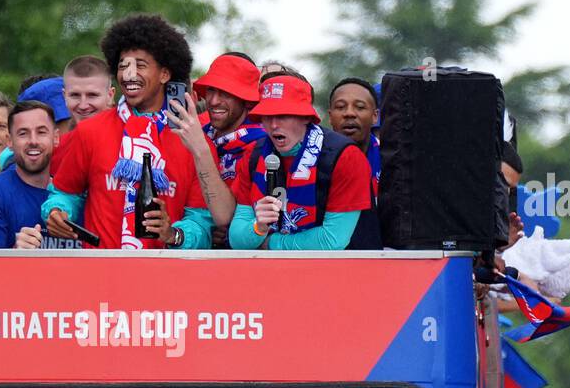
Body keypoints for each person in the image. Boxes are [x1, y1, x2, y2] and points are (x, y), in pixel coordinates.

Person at [43, 13, 209, 249]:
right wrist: (58, 211)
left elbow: (201, 223)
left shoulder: (192, 140)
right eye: (123, 66)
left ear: (165, 73)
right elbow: (64, 194)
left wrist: (173, 233)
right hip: (102, 277)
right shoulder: (90, 131)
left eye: (140, 65)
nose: (129, 75)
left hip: (166, 278)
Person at [228, 73, 373, 251]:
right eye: (266, 116)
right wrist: (258, 227)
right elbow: (236, 239)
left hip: (347, 272)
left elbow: (332, 240)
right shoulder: (253, 155)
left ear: (306, 117)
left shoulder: (346, 157)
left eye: (283, 115)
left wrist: (270, 244)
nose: (273, 125)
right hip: (273, 274)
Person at [154, 52, 265, 248]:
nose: (213, 101)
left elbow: (227, 217)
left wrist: (200, 149)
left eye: (226, 93)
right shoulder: (200, 130)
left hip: (248, 262)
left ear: (246, 100)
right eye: (211, 90)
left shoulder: (262, 146)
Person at [0, 100, 76, 250]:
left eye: (41, 132)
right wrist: (15, 252)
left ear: (56, 138)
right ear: (9, 141)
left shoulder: (76, 192)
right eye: (23, 133)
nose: (33, 141)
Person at [326, 76, 383, 248]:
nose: (349, 113)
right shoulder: (313, 160)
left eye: (359, 107)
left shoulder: (393, 161)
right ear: (330, 116)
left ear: (375, 116)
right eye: (340, 107)